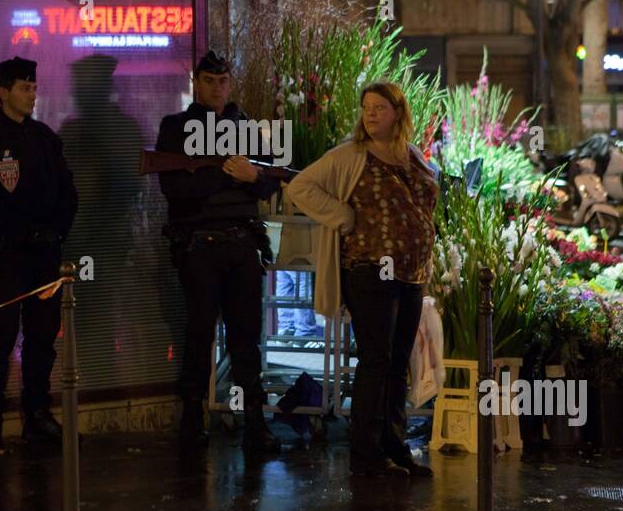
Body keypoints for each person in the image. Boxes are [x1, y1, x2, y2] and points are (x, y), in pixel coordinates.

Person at [286, 81, 437, 478]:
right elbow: (301, 186)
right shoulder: (350, 155)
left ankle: (394, 442)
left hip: (411, 274)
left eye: (379, 108)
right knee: (376, 358)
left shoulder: (412, 155)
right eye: (366, 108)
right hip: (371, 270)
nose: (370, 115)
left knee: (397, 361)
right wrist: (343, 216)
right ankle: (367, 450)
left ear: (398, 113)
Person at [155, 50, 281, 453]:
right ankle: (191, 422)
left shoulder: (244, 127)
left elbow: (270, 185)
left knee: (246, 339)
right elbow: (175, 190)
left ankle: (256, 426)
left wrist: (252, 175)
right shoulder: (176, 128)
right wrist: (227, 176)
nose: (217, 88)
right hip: (199, 246)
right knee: (198, 335)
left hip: (241, 244)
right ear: (197, 82)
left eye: (223, 81)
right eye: (209, 81)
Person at [0, 57, 77, 453]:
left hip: (43, 255)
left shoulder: (45, 138)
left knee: (42, 339)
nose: (32, 94)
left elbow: (67, 193)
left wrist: (55, 234)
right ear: (2, 91)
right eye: (24, 88)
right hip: (5, 257)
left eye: (34, 87)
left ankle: (37, 415)